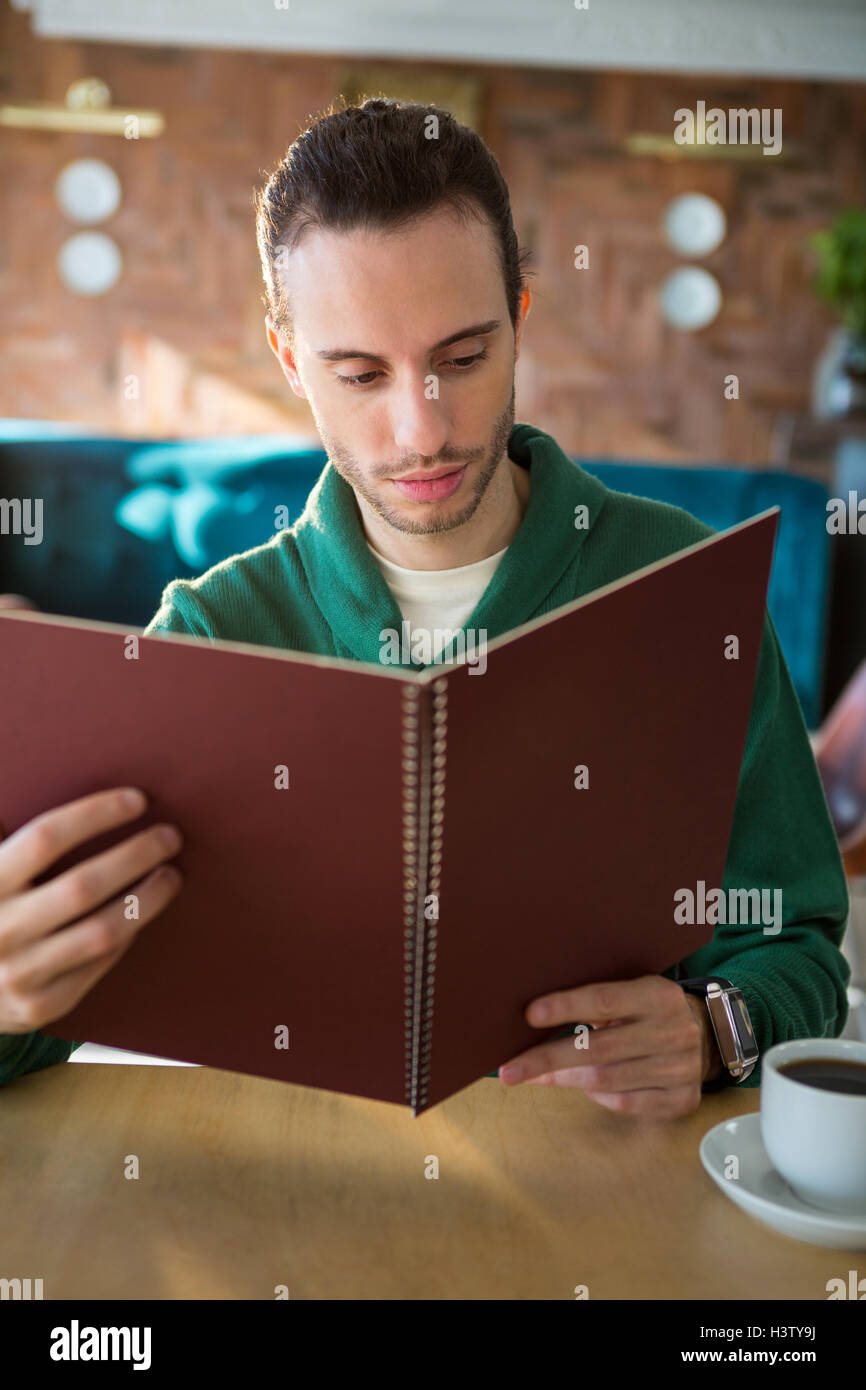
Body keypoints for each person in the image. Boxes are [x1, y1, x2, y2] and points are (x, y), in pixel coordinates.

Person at [0, 99, 850, 1118]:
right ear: (286, 361)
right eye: (360, 374)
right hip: (286, 1204)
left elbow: (797, 949)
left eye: (461, 357)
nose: (422, 428)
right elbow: (40, 1030)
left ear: (520, 316)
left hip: (604, 1198)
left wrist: (714, 1029)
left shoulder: (681, 586)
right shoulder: (211, 637)